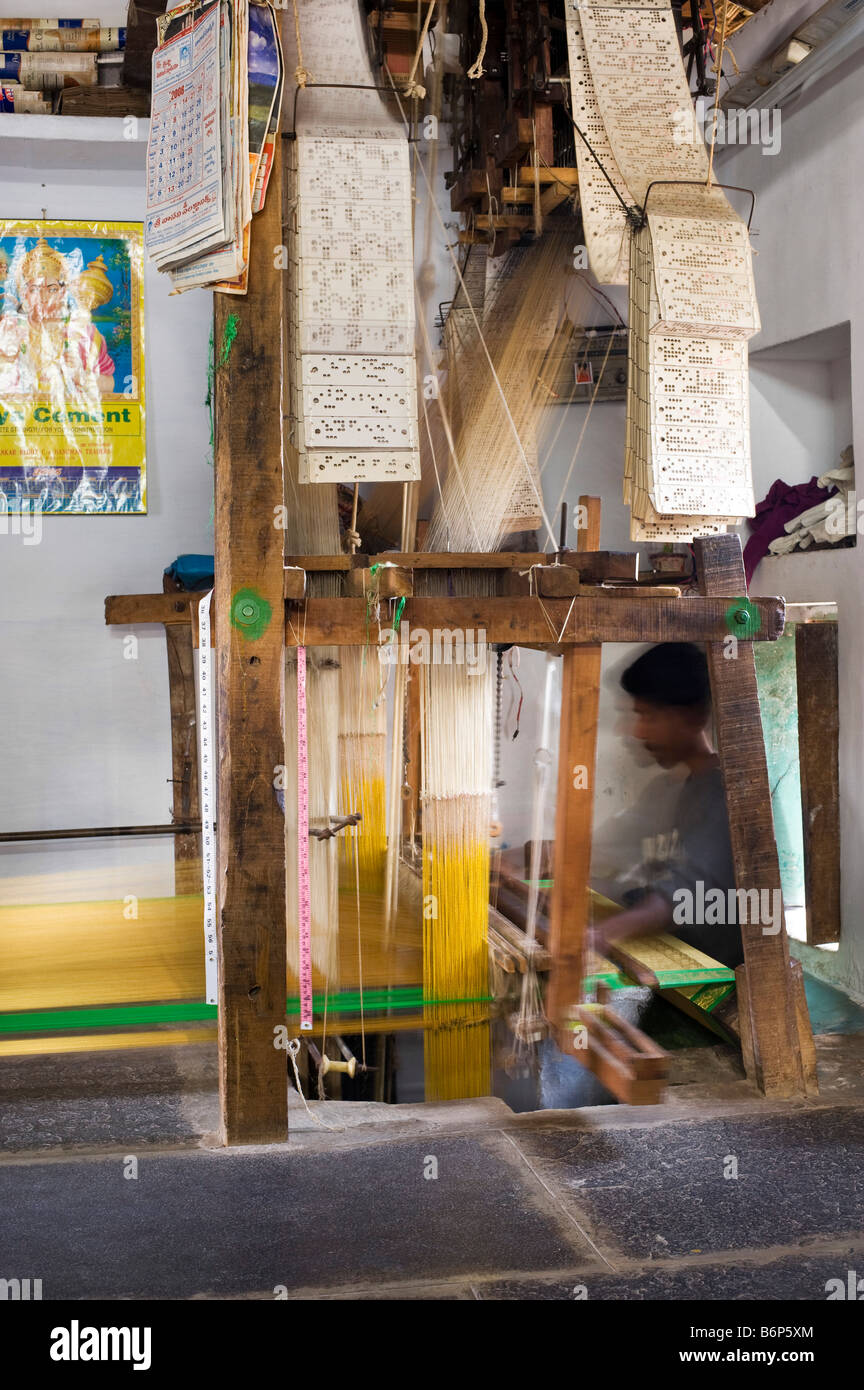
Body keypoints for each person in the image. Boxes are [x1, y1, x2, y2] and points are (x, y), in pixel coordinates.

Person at [590, 641, 743, 971]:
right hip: (671, 967)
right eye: (636, 714)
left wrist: (600, 935)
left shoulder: (723, 794)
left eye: (649, 716)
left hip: (713, 983)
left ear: (695, 716)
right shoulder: (666, 790)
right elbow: (608, 846)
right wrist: (532, 859)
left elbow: (677, 899)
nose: (637, 730)